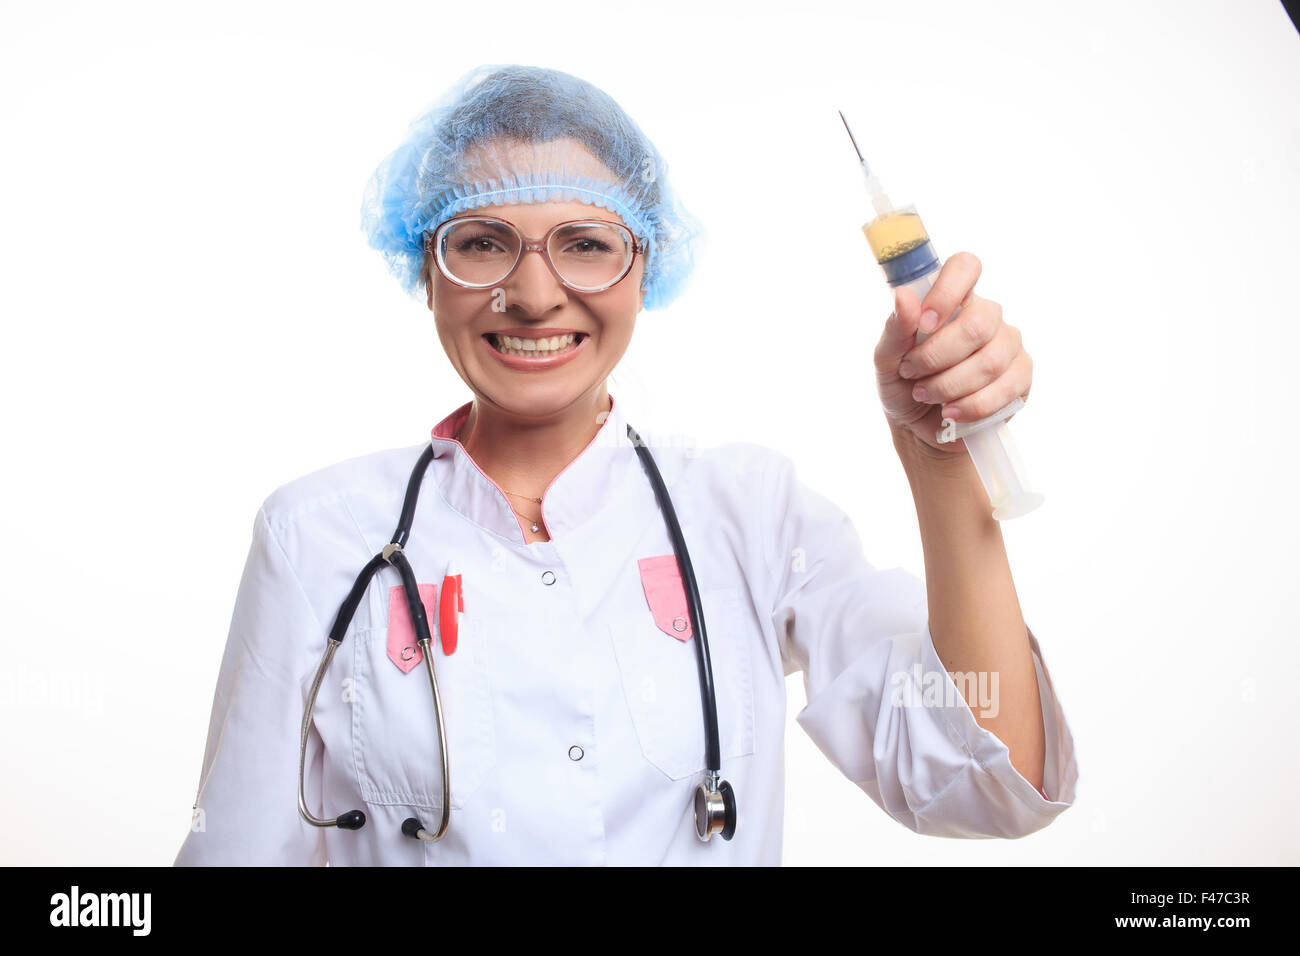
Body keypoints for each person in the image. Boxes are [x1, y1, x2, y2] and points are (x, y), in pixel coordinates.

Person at [174, 63, 1077, 866]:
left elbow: (988, 781)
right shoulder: (316, 536)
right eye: (482, 240)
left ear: (648, 266)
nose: (533, 294)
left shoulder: (751, 514)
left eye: (587, 244)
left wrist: (940, 458)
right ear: (426, 265)